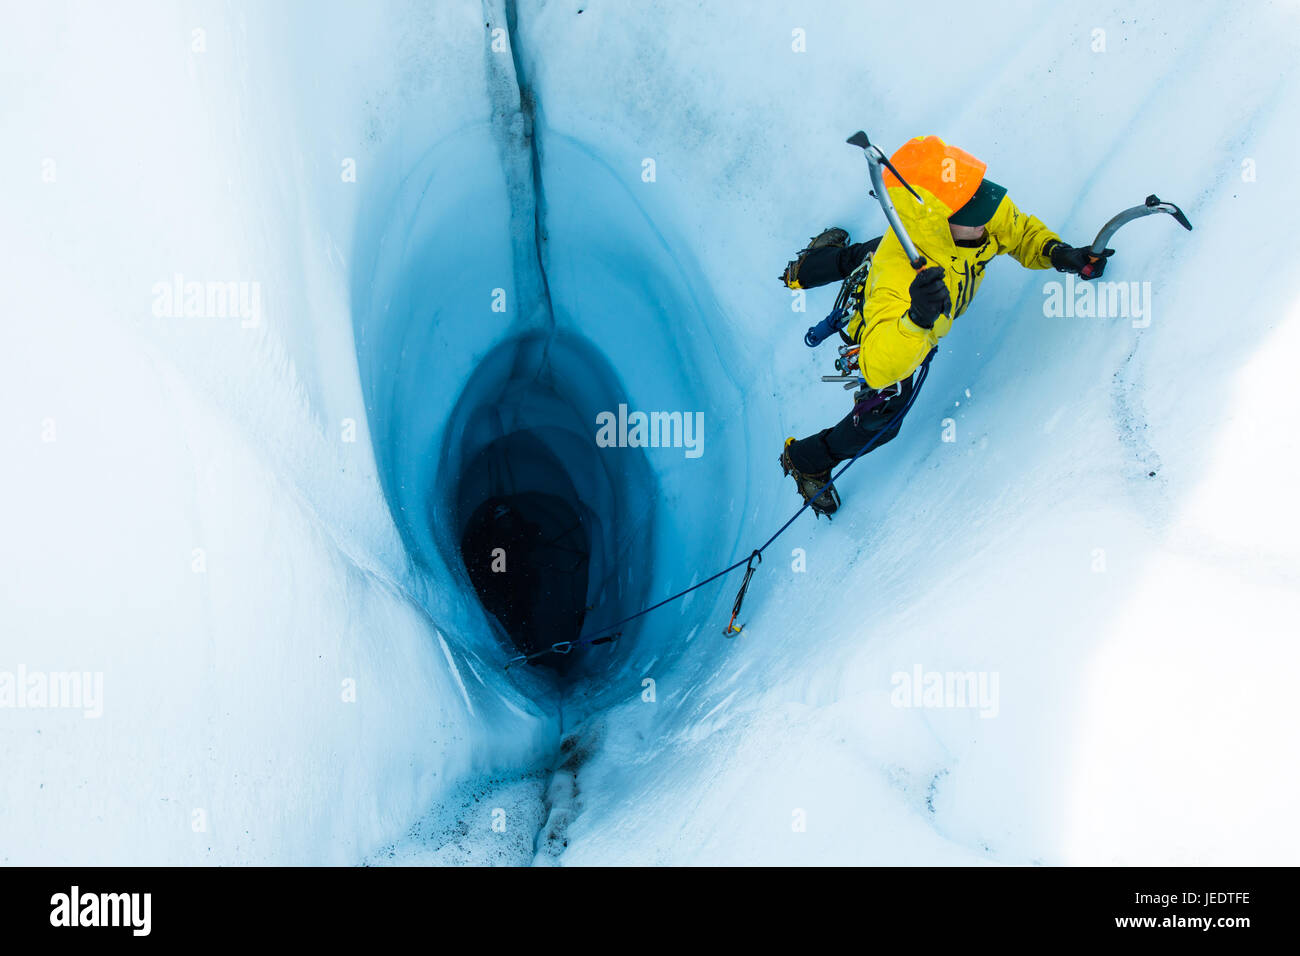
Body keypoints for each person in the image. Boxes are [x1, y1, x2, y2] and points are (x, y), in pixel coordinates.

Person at [778, 134, 1113, 516]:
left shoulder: (970, 202)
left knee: (865, 253)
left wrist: (1055, 252)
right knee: (883, 419)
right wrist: (917, 320)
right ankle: (806, 460)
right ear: (941, 222)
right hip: (900, 328)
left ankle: (807, 268)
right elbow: (876, 363)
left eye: (983, 200)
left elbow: (1015, 229)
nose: (988, 218)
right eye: (974, 216)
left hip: (913, 269)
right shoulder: (898, 274)